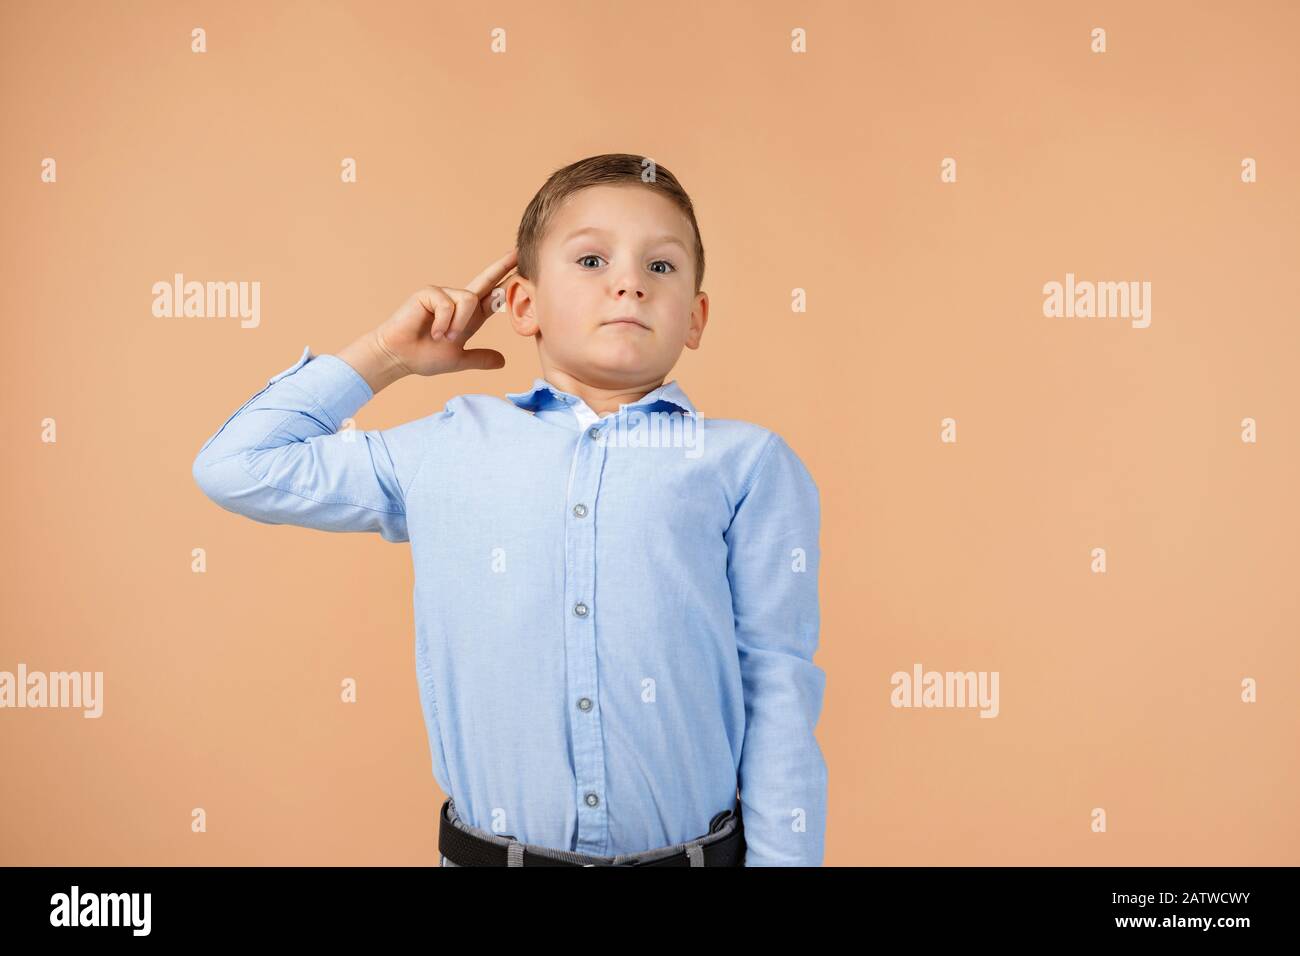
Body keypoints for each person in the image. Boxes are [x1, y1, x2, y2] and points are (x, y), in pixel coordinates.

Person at [192, 153, 828, 866]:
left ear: (696, 317)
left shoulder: (748, 464)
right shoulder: (445, 448)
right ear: (522, 305)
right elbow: (236, 466)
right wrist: (386, 356)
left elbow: (776, 686)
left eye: (662, 267)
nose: (629, 282)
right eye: (591, 260)